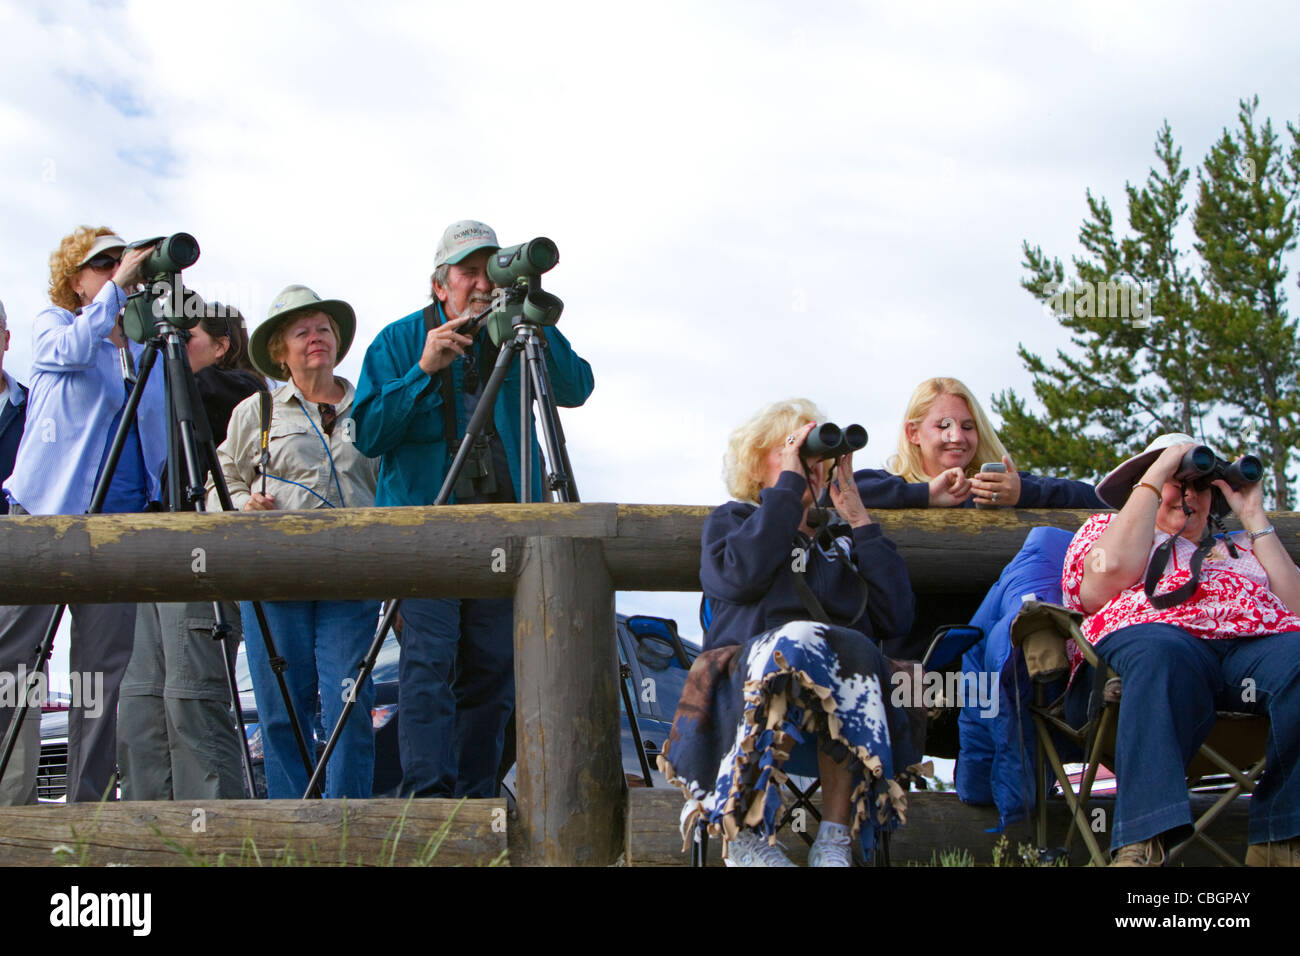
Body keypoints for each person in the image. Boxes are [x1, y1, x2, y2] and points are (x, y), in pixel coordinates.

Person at [353, 219, 594, 799]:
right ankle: (429, 802)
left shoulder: (516, 331)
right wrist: (422, 371)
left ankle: (477, 797)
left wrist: (534, 318)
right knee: (427, 668)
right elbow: (368, 434)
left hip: (504, 533)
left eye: (491, 269)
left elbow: (577, 387)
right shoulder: (399, 339)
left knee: (493, 671)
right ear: (440, 285)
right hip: (426, 531)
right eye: (468, 272)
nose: (482, 282)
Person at [659, 399, 918, 866]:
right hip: (744, 690)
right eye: (796, 450)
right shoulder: (733, 520)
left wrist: (858, 518)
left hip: (833, 700)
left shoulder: (837, 543)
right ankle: (742, 835)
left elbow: (896, 617)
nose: (812, 466)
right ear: (759, 463)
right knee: (796, 638)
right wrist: (786, 492)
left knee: (851, 646)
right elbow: (739, 576)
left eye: (816, 456)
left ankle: (835, 840)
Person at [1061, 433, 1300, 866]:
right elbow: (1104, 580)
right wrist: (1162, 468)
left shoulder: (1241, 548)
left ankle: (1281, 842)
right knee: (1162, 653)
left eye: (1201, 484)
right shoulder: (1105, 531)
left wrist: (1253, 518)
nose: (1189, 494)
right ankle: (1142, 846)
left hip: (1247, 658)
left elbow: (1297, 610)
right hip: (1158, 652)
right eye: (1178, 481)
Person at [1, 227, 165, 803]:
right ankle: (7, 804)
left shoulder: (145, 354)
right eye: (104, 264)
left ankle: (87, 810)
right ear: (76, 280)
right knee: (14, 664)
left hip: (116, 531)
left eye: (126, 264)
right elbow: (69, 352)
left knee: (100, 676)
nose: (119, 271)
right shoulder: (55, 325)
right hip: (46, 517)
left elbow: (158, 441)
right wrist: (116, 291)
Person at [213, 285, 380, 798]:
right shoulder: (256, 411)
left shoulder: (370, 406)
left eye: (323, 329)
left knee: (349, 704)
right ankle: (292, 832)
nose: (316, 338)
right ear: (280, 352)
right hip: (274, 579)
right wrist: (242, 504)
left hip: (353, 581)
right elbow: (219, 481)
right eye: (301, 331)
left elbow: (393, 486)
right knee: (283, 710)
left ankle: (348, 831)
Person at [118, 304, 265, 799]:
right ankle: (149, 835)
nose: (169, 345)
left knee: (192, 700)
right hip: (157, 549)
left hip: (204, 555)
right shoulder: (175, 395)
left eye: (187, 335)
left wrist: (167, 355)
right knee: (140, 703)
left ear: (221, 345)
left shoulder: (240, 390)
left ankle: (213, 836)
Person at [855, 376, 1103, 509]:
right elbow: (833, 493)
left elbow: (1097, 499)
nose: (958, 437)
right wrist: (925, 494)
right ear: (913, 433)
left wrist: (1024, 493)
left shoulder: (994, 489)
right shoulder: (891, 485)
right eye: (943, 426)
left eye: (968, 427)